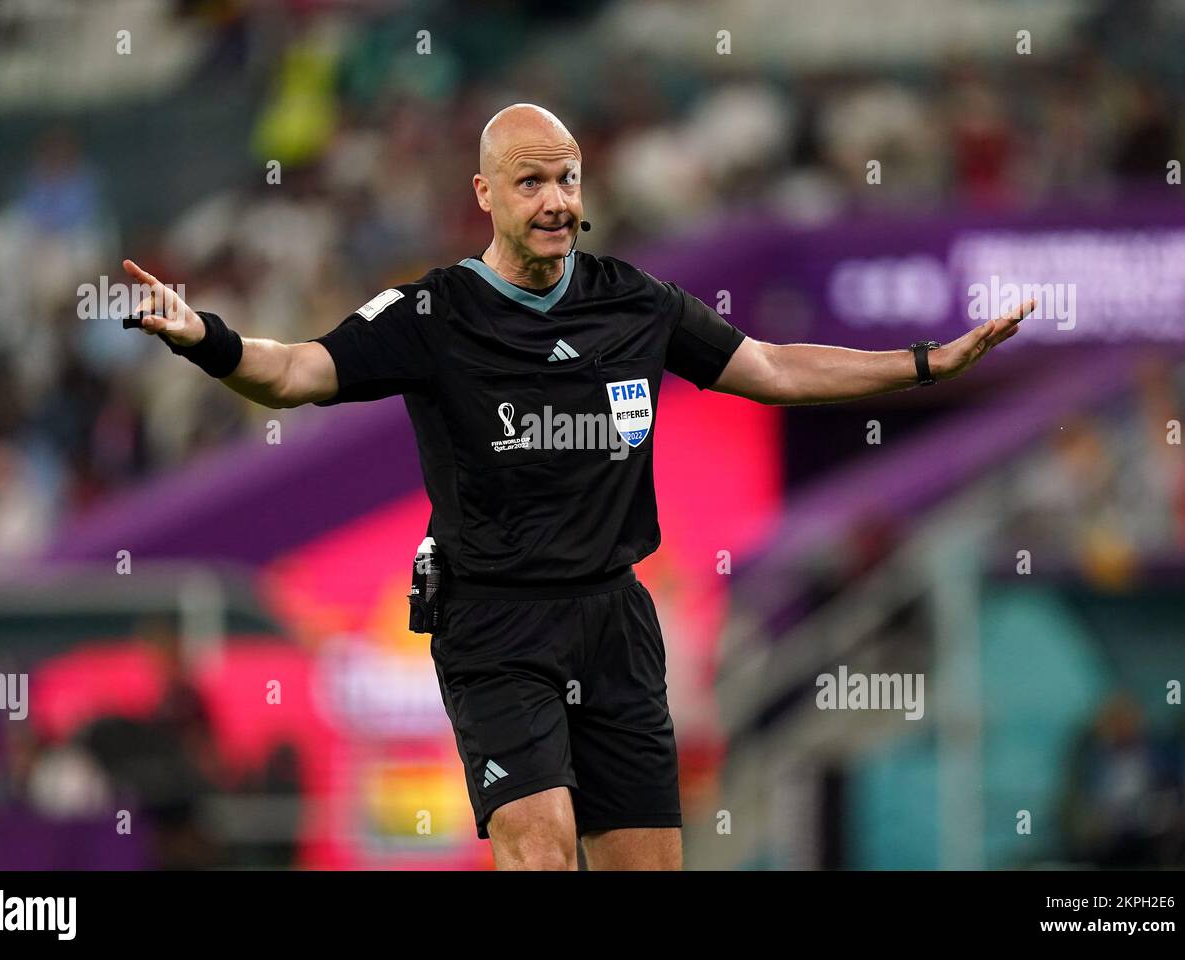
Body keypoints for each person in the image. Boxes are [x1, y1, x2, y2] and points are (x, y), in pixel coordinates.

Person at [123, 103, 1032, 870]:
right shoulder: (433, 313)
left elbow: (780, 368)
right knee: (542, 844)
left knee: (647, 862)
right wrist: (205, 336)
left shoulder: (633, 302)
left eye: (567, 179)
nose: (556, 201)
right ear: (485, 194)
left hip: (615, 622)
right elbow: (292, 373)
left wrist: (922, 364)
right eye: (531, 182)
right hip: (495, 625)